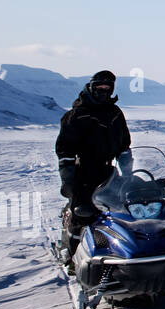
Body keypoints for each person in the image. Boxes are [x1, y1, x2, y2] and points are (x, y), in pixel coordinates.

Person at [55, 71, 131, 257]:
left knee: (122, 210)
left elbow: (124, 145)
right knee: (83, 212)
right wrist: (68, 180)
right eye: (99, 87)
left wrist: (129, 173)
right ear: (91, 87)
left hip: (109, 172)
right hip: (83, 172)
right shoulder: (76, 115)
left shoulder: (114, 113)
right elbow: (65, 151)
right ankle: (73, 254)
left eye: (107, 88)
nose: (103, 91)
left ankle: (117, 249)